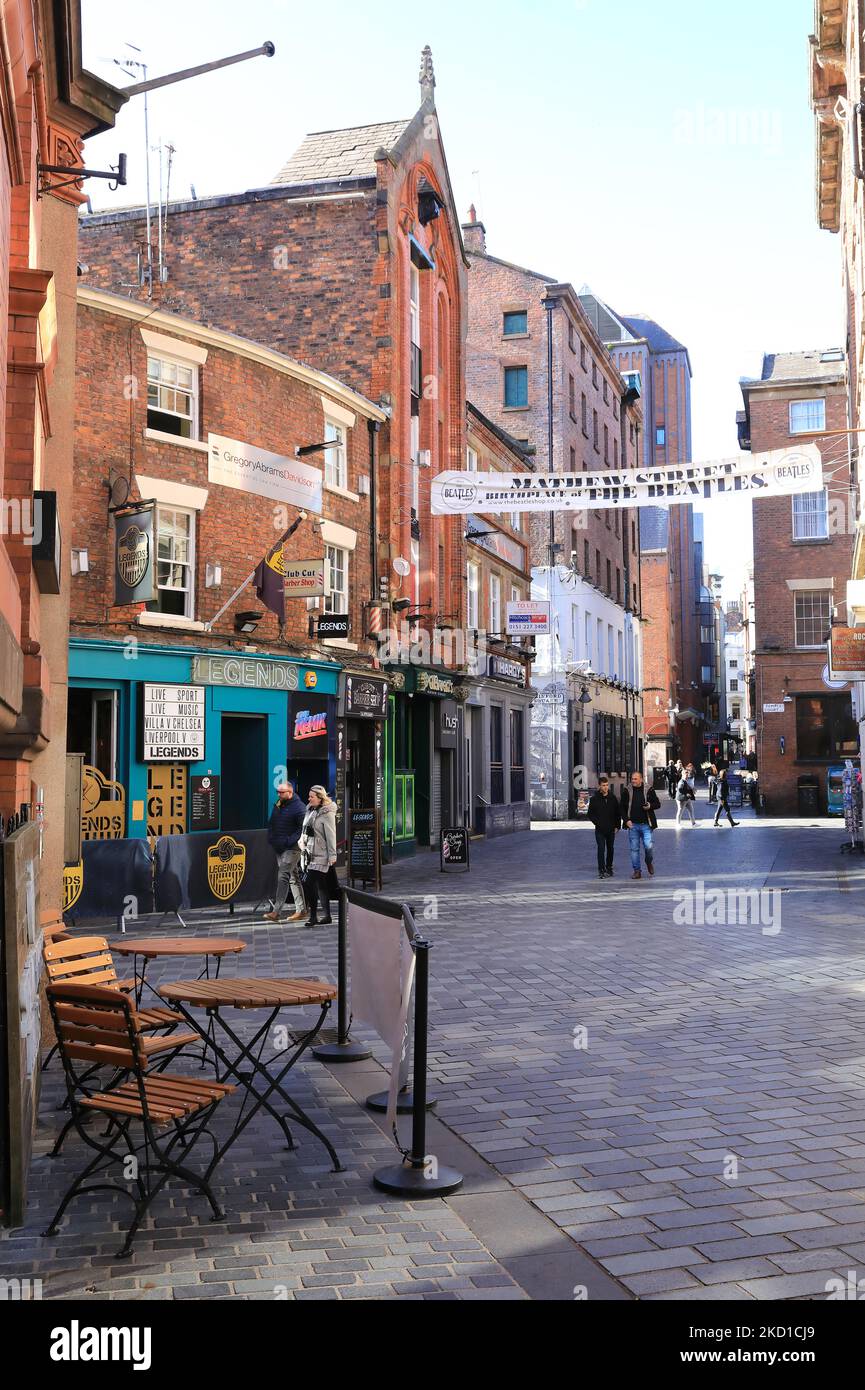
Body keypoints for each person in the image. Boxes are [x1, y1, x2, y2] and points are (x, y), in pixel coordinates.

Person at [264, 781, 307, 922]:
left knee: (283, 876)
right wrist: (272, 838)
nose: (278, 794)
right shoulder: (278, 804)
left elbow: (301, 830)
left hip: (292, 848)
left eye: (281, 792)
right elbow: (272, 822)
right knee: (293, 878)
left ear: (290, 792)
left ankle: (276, 911)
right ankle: (301, 910)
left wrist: (288, 841)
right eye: (278, 791)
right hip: (279, 847)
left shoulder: (299, 808)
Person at [302, 785, 338, 927]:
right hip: (309, 853)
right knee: (322, 884)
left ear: (320, 798)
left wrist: (332, 854)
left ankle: (313, 916)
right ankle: (327, 916)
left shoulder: (327, 813)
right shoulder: (310, 810)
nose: (309, 798)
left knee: (308, 883)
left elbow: (331, 835)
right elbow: (305, 829)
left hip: (322, 854)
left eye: (312, 796)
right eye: (309, 796)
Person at [621, 771, 661, 879]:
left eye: (635, 779)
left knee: (649, 847)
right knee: (634, 849)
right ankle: (637, 871)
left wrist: (650, 806)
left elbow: (658, 804)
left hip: (646, 825)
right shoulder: (626, 790)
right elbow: (622, 808)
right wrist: (626, 820)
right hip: (632, 825)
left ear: (641, 779)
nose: (633, 781)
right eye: (632, 779)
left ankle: (648, 862)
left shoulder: (649, 790)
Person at [587, 774, 622, 879]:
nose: (605, 787)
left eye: (607, 785)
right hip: (600, 830)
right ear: (599, 786)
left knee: (610, 848)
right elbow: (590, 814)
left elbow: (617, 813)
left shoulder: (613, 798)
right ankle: (601, 870)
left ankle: (609, 867)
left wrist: (617, 826)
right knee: (601, 849)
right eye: (603, 785)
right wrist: (597, 823)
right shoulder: (594, 799)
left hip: (611, 829)